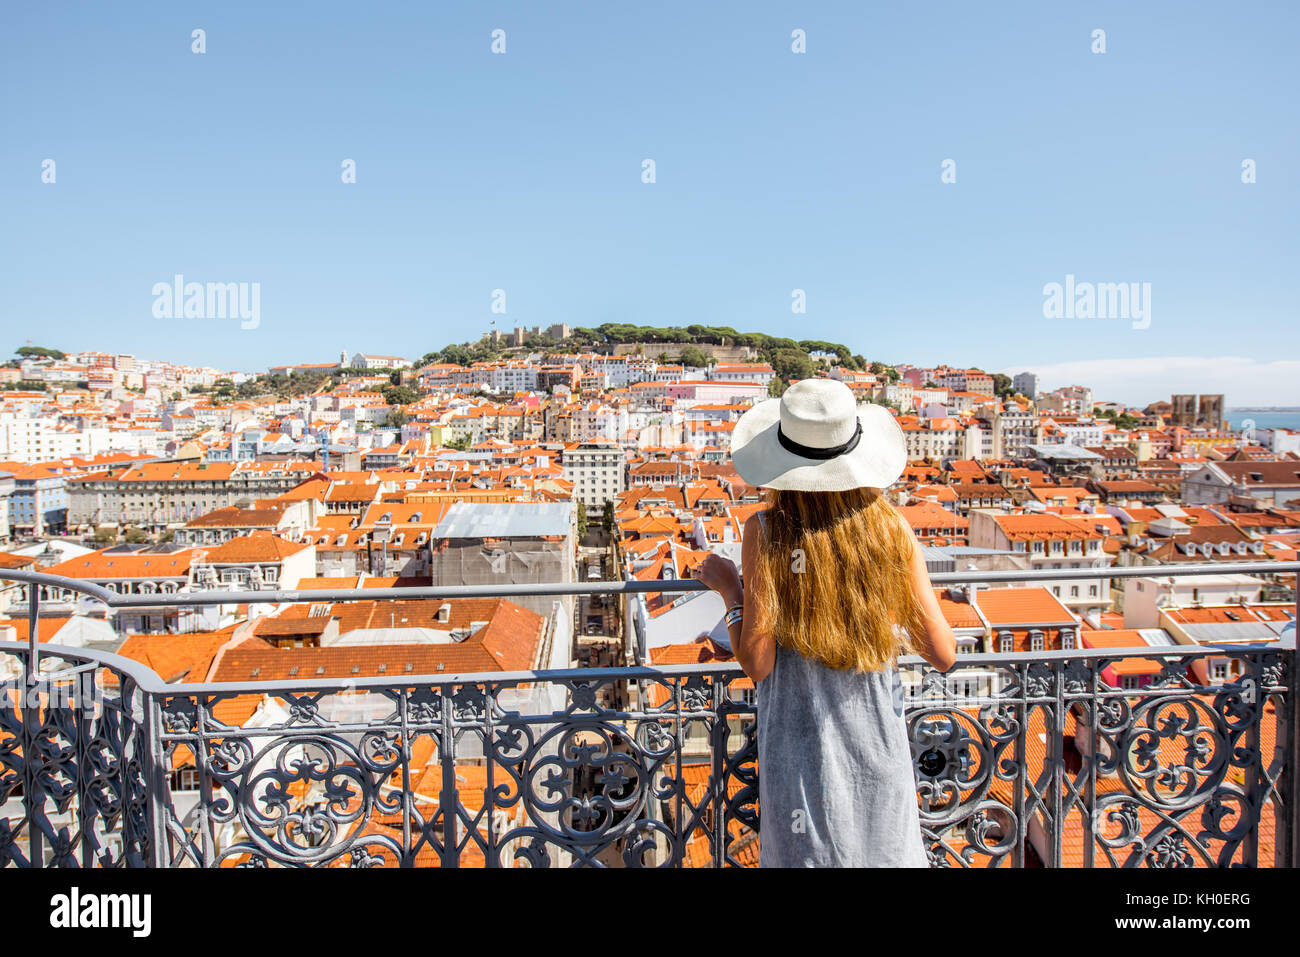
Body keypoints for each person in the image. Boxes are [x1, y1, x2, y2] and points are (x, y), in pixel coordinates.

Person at [696, 377, 957, 867]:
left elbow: (756, 662)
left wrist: (733, 592)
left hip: (800, 757)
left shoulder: (766, 531)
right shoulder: (890, 528)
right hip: (878, 750)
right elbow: (943, 653)